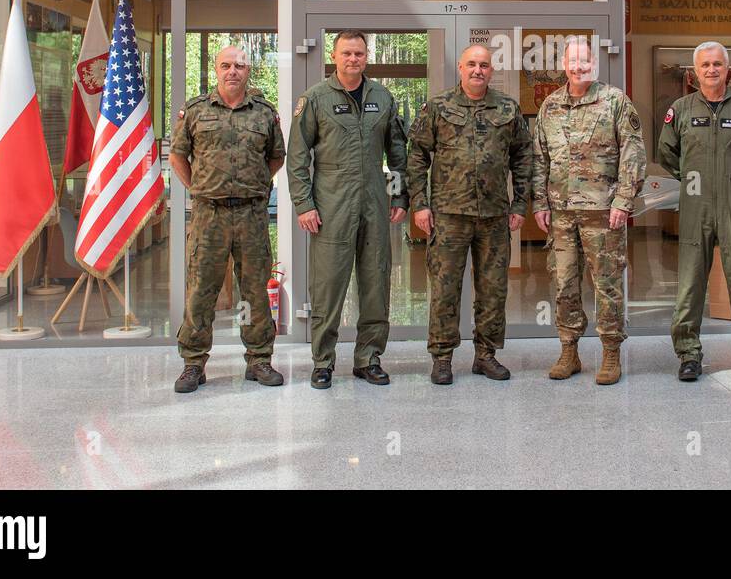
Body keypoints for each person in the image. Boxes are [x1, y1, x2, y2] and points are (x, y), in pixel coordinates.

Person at [286, 31, 408, 389]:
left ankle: (369, 359)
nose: (352, 59)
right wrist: (304, 204)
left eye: (358, 53)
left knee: (375, 283)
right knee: (328, 287)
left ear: (366, 57)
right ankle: (323, 361)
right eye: (346, 53)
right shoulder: (315, 99)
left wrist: (399, 197)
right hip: (331, 206)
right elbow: (297, 157)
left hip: (373, 204)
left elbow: (397, 154)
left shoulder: (382, 97)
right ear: (334, 56)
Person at [407, 44, 532, 385]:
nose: (478, 70)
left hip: (494, 216)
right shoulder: (438, 107)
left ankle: (486, 355)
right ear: (460, 68)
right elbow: (417, 155)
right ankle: (442, 357)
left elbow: (523, 157)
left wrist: (520, 204)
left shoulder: (507, 108)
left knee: (493, 288)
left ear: (492, 71)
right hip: (448, 215)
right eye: (472, 64)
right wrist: (420, 203)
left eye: (485, 65)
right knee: (445, 288)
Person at [531, 36, 646, 385]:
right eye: (572, 62)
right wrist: (539, 202)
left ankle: (611, 353)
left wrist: (623, 202)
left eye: (584, 61)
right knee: (564, 283)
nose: (578, 67)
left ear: (594, 63)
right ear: (564, 65)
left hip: (603, 212)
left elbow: (633, 153)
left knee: (607, 285)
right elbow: (540, 158)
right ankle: (569, 351)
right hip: (562, 214)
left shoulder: (615, 102)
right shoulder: (550, 106)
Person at [171, 45, 285, 393]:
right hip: (210, 214)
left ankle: (259, 359)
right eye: (226, 65)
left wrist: (256, 185)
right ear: (216, 70)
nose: (232, 71)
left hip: (250, 214)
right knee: (201, 290)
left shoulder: (264, 113)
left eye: (239, 65)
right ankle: (193, 363)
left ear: (248, 71)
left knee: (253, 290)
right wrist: (200, 189)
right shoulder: (195, 111)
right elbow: (178, 156)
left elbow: (276, 157)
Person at [657, 42, 731, 383]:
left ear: (728, 70)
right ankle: (688, 354)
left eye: (717, 64)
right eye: (705, 64)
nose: (711, 70)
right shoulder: (680, 109)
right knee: (690, 281)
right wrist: (693, 177)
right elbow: (666, 152)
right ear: (694, 72)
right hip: (695, 202)